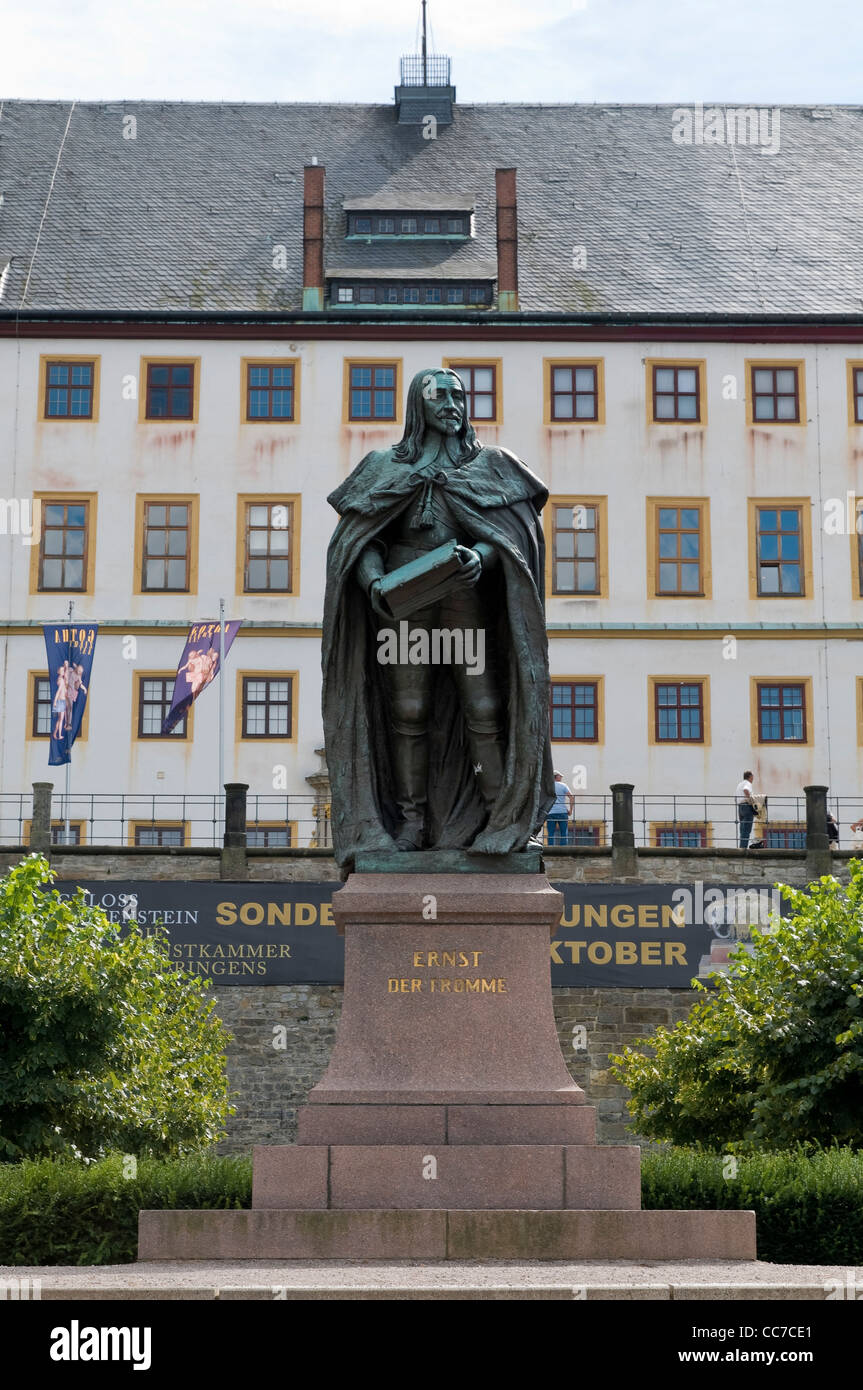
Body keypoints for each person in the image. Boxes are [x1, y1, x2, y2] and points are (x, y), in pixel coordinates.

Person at [322, 366, 555, 867]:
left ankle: (500, 819)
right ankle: (410, 823)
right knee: (408, 711)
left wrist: (484, 557)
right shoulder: (384, 466)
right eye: (440, 396)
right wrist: (373, 581)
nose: (452, 404)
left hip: (461, 592)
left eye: (459, 395)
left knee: (485, 706)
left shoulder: (492, 465)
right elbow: (363, 538)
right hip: (403, 599)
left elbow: (513, 539)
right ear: (418, 406)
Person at [546, 771, 573, 847]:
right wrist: (570, 810)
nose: (561, 777)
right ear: (556, 776)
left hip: (551, 812)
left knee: (551, 832)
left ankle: (550, 847)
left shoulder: (548, 786)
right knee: (564, 831)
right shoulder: (563, 786)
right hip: (562, 811)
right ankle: (563, 847)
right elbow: (571, 797)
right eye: (560, 776)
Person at [736, 769, 756, 848]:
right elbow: (746, 790)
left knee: (742, 829)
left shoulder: (739, 784)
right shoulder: (748, 783)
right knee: (747, 829)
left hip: (740, 807)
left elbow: (736, 798)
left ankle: (741, 847)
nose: (753, 779)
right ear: (750, 777)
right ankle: (743, 849)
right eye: (752, 777)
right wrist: (751, 802)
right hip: (746, 806)